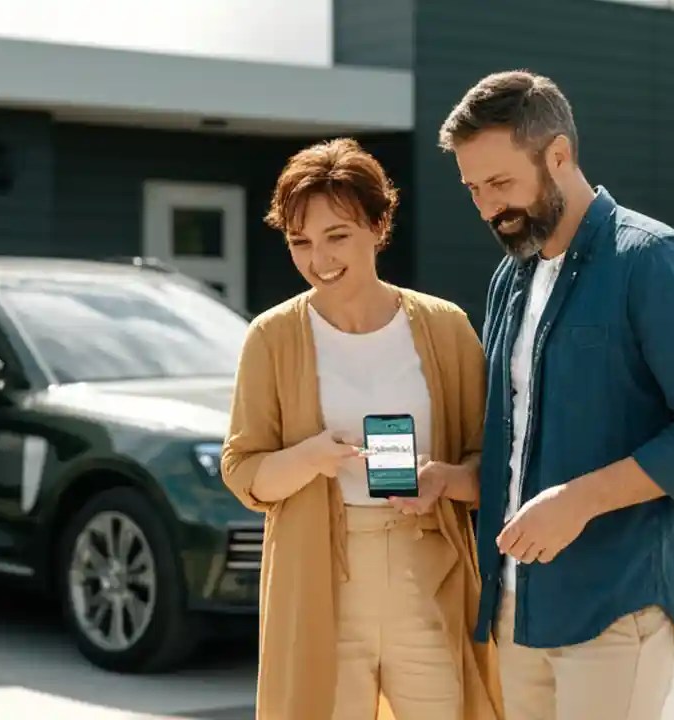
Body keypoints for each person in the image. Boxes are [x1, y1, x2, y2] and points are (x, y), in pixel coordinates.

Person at [437, 70, 674, 720]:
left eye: (500, 183)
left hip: (618, 601)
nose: (487, 207)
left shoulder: (653, 259)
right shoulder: (509, 279)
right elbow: (522, 438)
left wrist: (579, 501)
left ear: (558, 154)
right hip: (515, 604)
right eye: (473, 188)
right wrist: (456, 479)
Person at [220, 137, 502, 720]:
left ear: (378, 225)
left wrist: (441, 480)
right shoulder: (272, 337)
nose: (318, 258)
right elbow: (244, 474)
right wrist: (311, 457)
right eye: (300, 241)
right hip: (318, 579)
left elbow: (493, 468)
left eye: (337, 235)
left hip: (426, 571)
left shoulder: (445, 328)